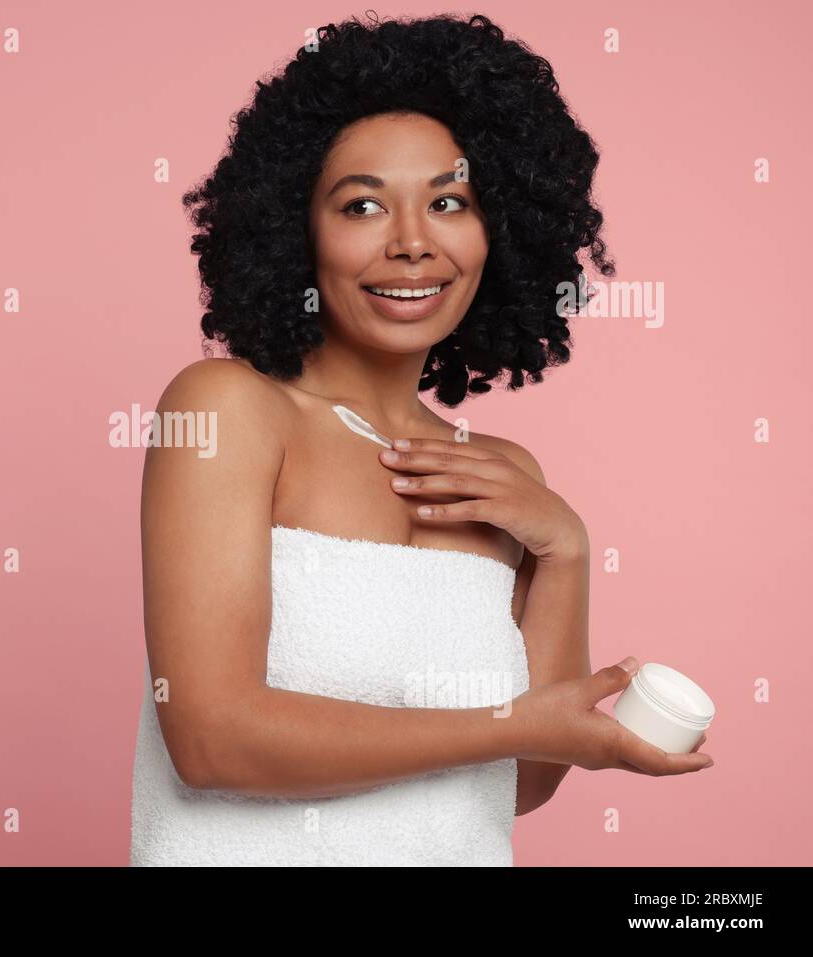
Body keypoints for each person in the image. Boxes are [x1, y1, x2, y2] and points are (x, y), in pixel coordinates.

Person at [130, 12, 711, 867]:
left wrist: (567, 550)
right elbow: (214, 741)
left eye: (449, 202)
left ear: (499, 232)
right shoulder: (227, 412)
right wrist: (508, 721)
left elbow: (517, 779)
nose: (411, 243)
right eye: (362, 205)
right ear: (299, 231)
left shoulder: (504, 475)